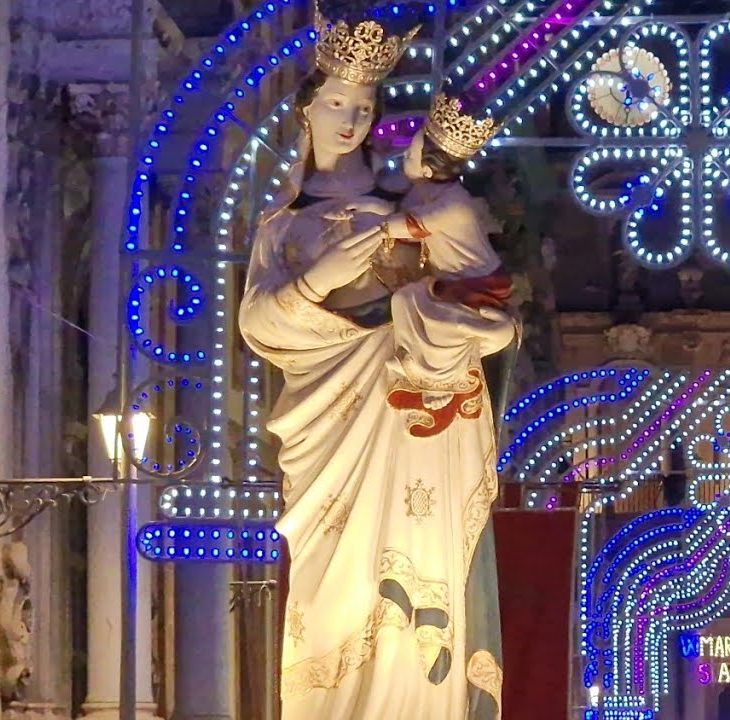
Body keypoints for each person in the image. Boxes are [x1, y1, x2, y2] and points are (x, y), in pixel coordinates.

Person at [239, 6, 509, 717]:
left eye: (362, 105)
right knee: (332, 585)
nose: (350, 118)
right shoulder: (283, 225)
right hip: (326, 424)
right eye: (335, 102)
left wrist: (463, 325)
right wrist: (317, 279)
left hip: (412, 411)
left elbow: (483, 296)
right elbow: (259, 324)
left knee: (421, 561)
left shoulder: (417, 206)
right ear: (307, 112)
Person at [380, 94, 515, 432]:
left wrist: (372, 225)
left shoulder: (453, 204)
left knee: (429, 314)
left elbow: (407, 226)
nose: (404, 158)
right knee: (406, 299)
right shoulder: (427, 192)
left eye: (410, 154)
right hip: (453, 280)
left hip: (478, 283)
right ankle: (420, 367)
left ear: (427, 168)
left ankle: (437, 375)